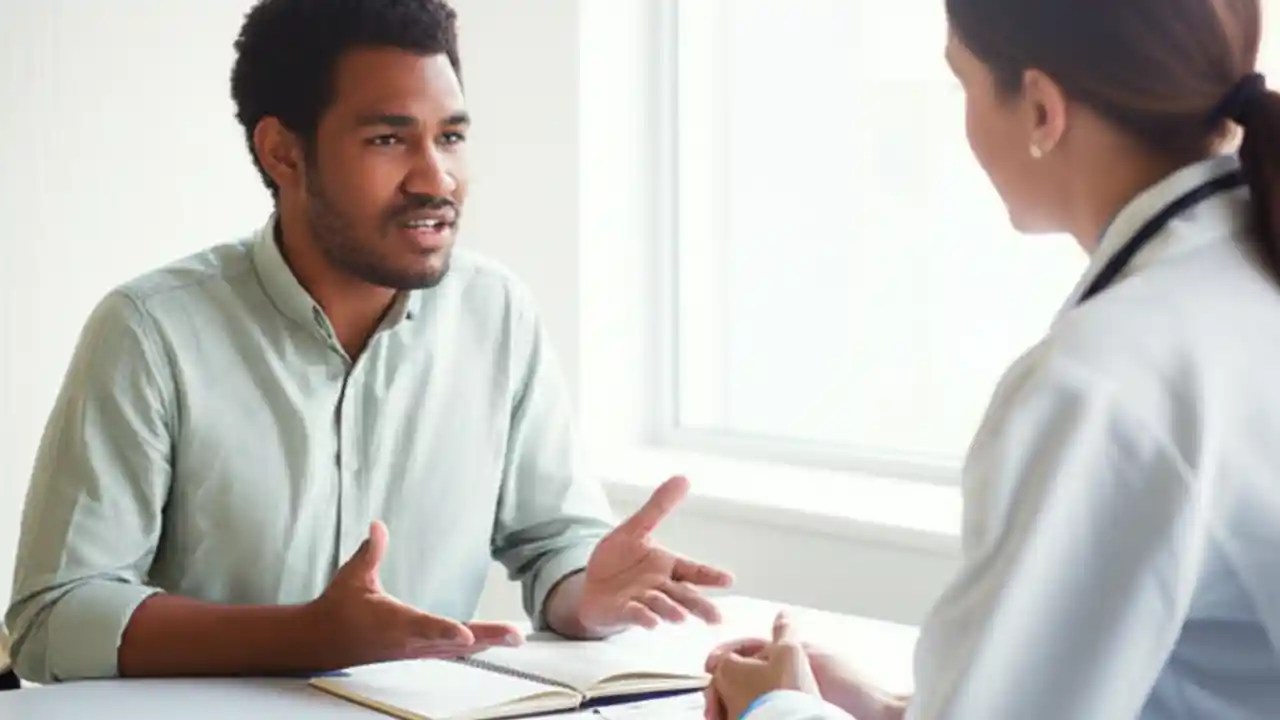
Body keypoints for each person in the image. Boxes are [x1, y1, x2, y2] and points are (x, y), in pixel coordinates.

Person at [5, 0, 732, 684]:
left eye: (450, 136)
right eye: (389, 139)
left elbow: (555, 543)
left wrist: (586, 592)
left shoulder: (496, 312)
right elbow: (55, 616)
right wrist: (304, 636)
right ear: (284, 152)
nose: (436, 177)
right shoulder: (151, 330)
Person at [705, 0, 1280, 718]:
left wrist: (779, 710)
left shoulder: (1103, 381)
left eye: (963, 85)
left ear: (1041, 108)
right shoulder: (1244, 286)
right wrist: (893, 710)